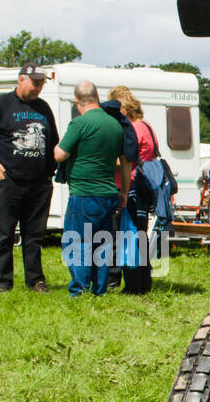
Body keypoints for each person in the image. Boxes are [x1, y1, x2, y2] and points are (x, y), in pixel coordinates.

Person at [0, 63, 59, 293]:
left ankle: (35, 280)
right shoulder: (1, 105)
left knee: (35, 236)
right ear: (21, 79)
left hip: (39, 184)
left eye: (41, 83)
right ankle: (2, 282)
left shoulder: (44, 108)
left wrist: (50, 172)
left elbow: (53, 142)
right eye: (35, 82)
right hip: (8, 181)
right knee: (3, 234)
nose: (39, 87)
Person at [54, 81, 129, 297]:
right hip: (109, 193)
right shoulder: (115, 124)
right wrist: (123, 191)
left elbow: (61, 154)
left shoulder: (79, 124)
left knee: (77, 242)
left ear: (77, 102)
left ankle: (79, 290)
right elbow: (125, 162)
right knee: (102, 244)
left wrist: (54, 148)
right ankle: (100, 290)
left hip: (84, 193)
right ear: (97, 97)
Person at [107, 85, 159, 294]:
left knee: (126, 235)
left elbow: (127, 160)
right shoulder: (146, 126)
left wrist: (104, 162)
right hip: (143, 188)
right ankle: (142, 281)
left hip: (130, 186)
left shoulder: (133, 129)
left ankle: (130, 283)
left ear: (124, 111)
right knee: (139, 235)